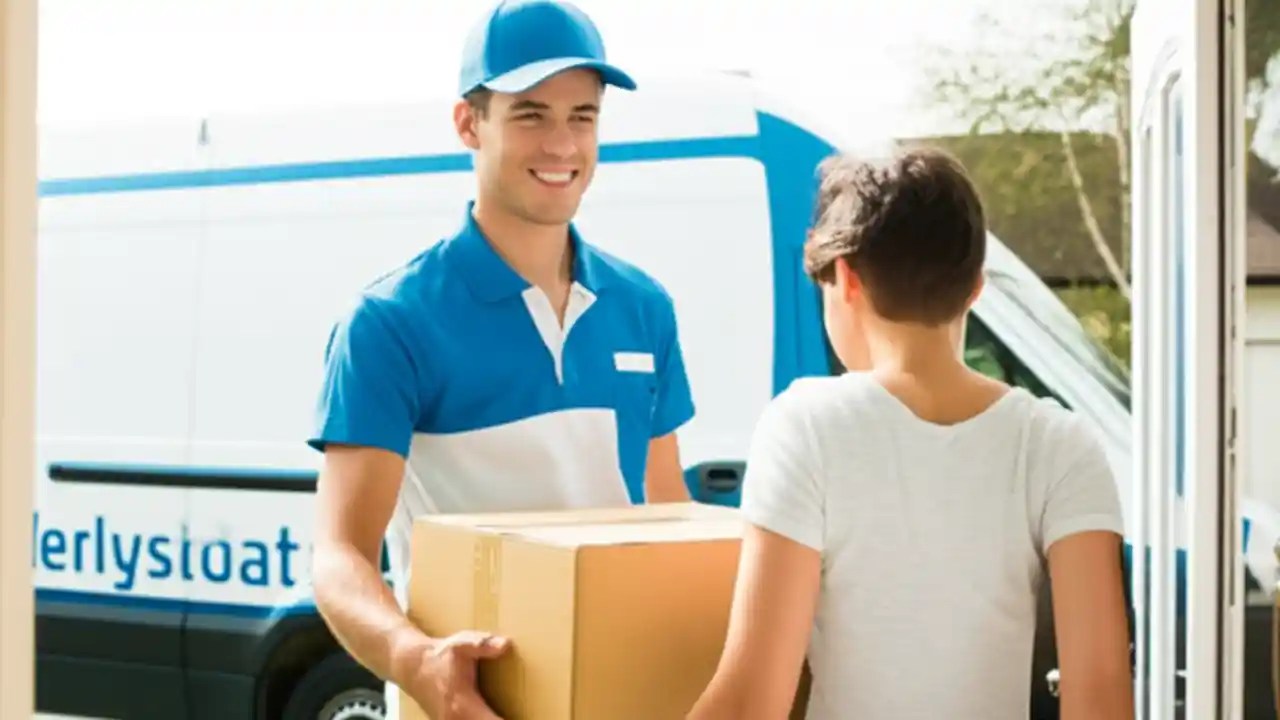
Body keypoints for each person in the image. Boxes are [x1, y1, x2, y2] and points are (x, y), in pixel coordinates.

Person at [305, 1, 696, 718]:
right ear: (468, 124)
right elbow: (338, 556)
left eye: (583, 115)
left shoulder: (644, 308)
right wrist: (414, 660)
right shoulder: (390, 323)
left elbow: (665, 521)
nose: (562, 144)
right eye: (530, 114)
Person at [686, 147, 1134, 720]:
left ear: (845, 279)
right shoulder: (1061, 443)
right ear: (975, 287)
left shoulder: (806, 425)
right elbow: (1099, 694)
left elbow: (752, 700)